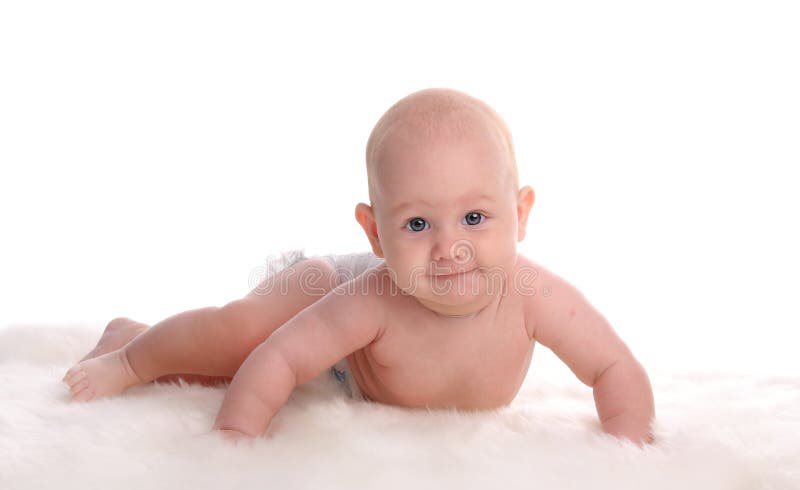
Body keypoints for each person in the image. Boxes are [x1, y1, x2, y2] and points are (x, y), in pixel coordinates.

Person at [63, 88, 655, 446]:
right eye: (418, 225)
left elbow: (612, 366)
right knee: (240, 339)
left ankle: (137, 337)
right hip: (321, 286)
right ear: (375, 232)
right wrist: (234, 440)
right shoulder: (370, 296)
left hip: (338, 370)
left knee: (222, 370)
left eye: (475, 218)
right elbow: (283, 356)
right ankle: (131, 355)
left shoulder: (534, 294)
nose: (449, 248)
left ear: (520, 214)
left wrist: (627, 450)